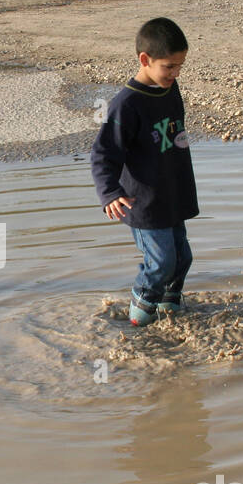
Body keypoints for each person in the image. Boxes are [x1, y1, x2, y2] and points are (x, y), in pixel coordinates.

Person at [90, 17, 199, 327]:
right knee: (162, 261)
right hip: (144, 202)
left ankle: (169, 304)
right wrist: (110, 192)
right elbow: (102, 152)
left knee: (183, 258)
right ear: (145, 60)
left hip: (173, 195)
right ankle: (140, 307)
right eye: (169, 67)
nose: (176, 73)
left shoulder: (170, 89)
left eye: (180, 66)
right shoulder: (127, 105)